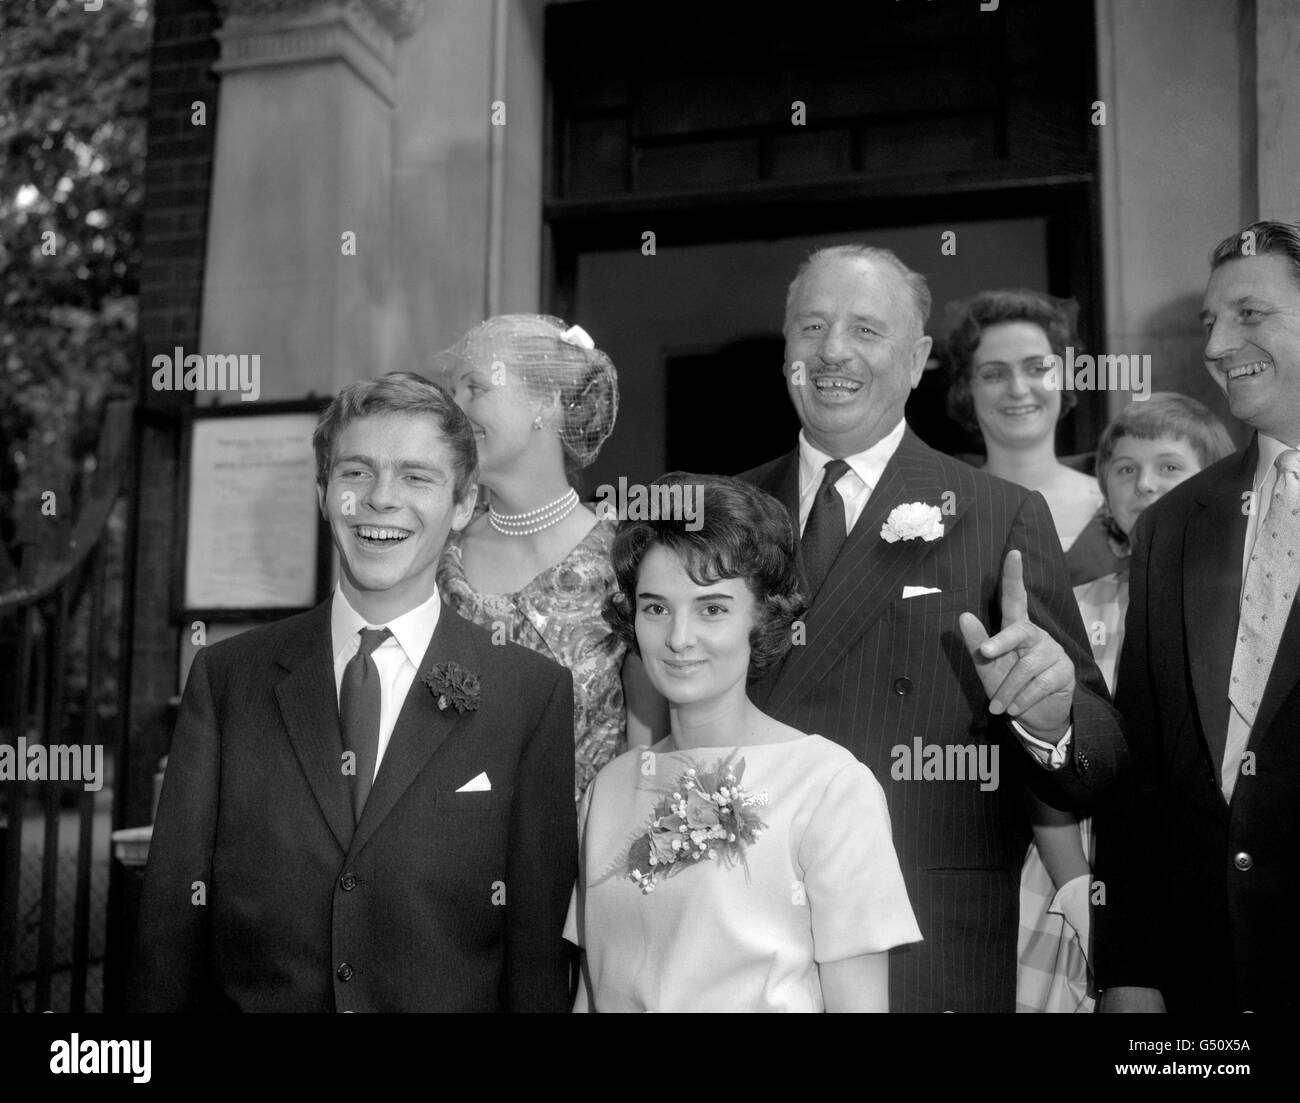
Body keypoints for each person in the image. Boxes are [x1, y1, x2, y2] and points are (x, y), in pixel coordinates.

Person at [738, 243, 1124, 1012]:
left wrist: (1051, 719)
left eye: (865, 330)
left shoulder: (996, 513)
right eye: (811, 326)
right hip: (745, 931)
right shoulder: (730, 514)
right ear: (786, 351)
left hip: (925, 943)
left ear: (917, 361)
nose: (833, 350)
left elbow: (1100, 755)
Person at [129, 374, 576, 1011]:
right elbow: (169, 930)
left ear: (463, 504)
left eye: (417, 477)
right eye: (356, 472)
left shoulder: (528, 697)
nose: (380, 500)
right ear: (323, 493)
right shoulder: (228, 680)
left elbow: (535, 961)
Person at [565, 473, 921, 1012]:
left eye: (712, 608)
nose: (679, 637)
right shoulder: (610, 790)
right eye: (656, 607)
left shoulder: (828, 786)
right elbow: (593, 996)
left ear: (761, 617)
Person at [1094, 221, 1300, 1013]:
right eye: (1209, 321)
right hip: (1204, 983)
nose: (1218, 344)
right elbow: (1142, 767)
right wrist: (1131, 971)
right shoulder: (1175, 523)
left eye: (1249, 314)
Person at [1016, 393, 1234, 1012]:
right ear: (1103, 491)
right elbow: (1041, 768)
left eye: (1171, 467)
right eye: (1126, 469)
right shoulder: (1073, 610)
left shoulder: (1242, 612)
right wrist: (1084, 898)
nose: (1146, 485)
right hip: (1074, 877)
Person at [437, 314, 662, 802]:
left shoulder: (629, 560)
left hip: (584, 862)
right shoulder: (433, 553)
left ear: (549, 402)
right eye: (451, 392)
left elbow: (649, 757)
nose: (454, 411)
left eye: (476, 388)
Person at [945, 289, 1121, 586]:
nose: (1017, 389)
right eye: (994, 374)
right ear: (967, 388)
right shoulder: (940, 507)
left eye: (1037, 368)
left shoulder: (1121, 498)